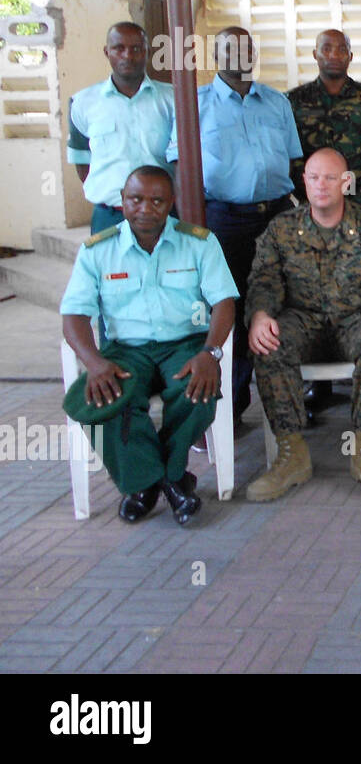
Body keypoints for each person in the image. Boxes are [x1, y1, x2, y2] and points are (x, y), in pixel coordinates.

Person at [59, 166, 237, 525]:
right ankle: (165, 483)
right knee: (102, 400)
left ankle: (152, 485)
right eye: (135, 199)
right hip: (127, 351)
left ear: (171, 203)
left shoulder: (199, 243)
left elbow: (224, 303)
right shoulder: (98, 251)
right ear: (122, 202)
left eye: (157, 200)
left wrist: (210, 352)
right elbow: (74, 316)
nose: (145, 208)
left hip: (184, 344)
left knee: (198, 391)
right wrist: (94, 363)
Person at [243, 149, 361, 501]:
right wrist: (260, 316)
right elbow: (264, 282)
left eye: (331, 178)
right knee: (268, 343)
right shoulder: (282, 229)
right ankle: (292, 455)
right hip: (301, 318)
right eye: (314, 178)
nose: (322, 185)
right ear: (304, 182)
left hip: (355, 319)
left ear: (346, 182)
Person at [167, 26, 302, 422]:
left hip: (276, 217)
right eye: (229, 49)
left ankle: (286, 400)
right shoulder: (194, 104)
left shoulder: (277, 103)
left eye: (246, 48)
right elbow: (180, 168)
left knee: (282, 303)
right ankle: (231, 403)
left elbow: (293, 160)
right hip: (223, 220)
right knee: (230, 307)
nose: (239, 55)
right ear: (216, 56)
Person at [67, 21, 174, 236]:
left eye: (136, 48)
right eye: (119, 48)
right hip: (109, 217)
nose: (128, 55)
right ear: (107, 52)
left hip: (164, 217)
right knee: (110, 271)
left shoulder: (172, 99)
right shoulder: (83, 102)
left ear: (147, 52)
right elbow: (82, 161)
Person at [288, 28, 361, 214]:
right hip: (313, 207)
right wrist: (309, 196)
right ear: (315, 54)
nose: (334, 55)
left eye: (342, 50)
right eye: (326, 49)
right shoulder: (294, 100)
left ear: (350, 56)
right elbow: (290, 154)